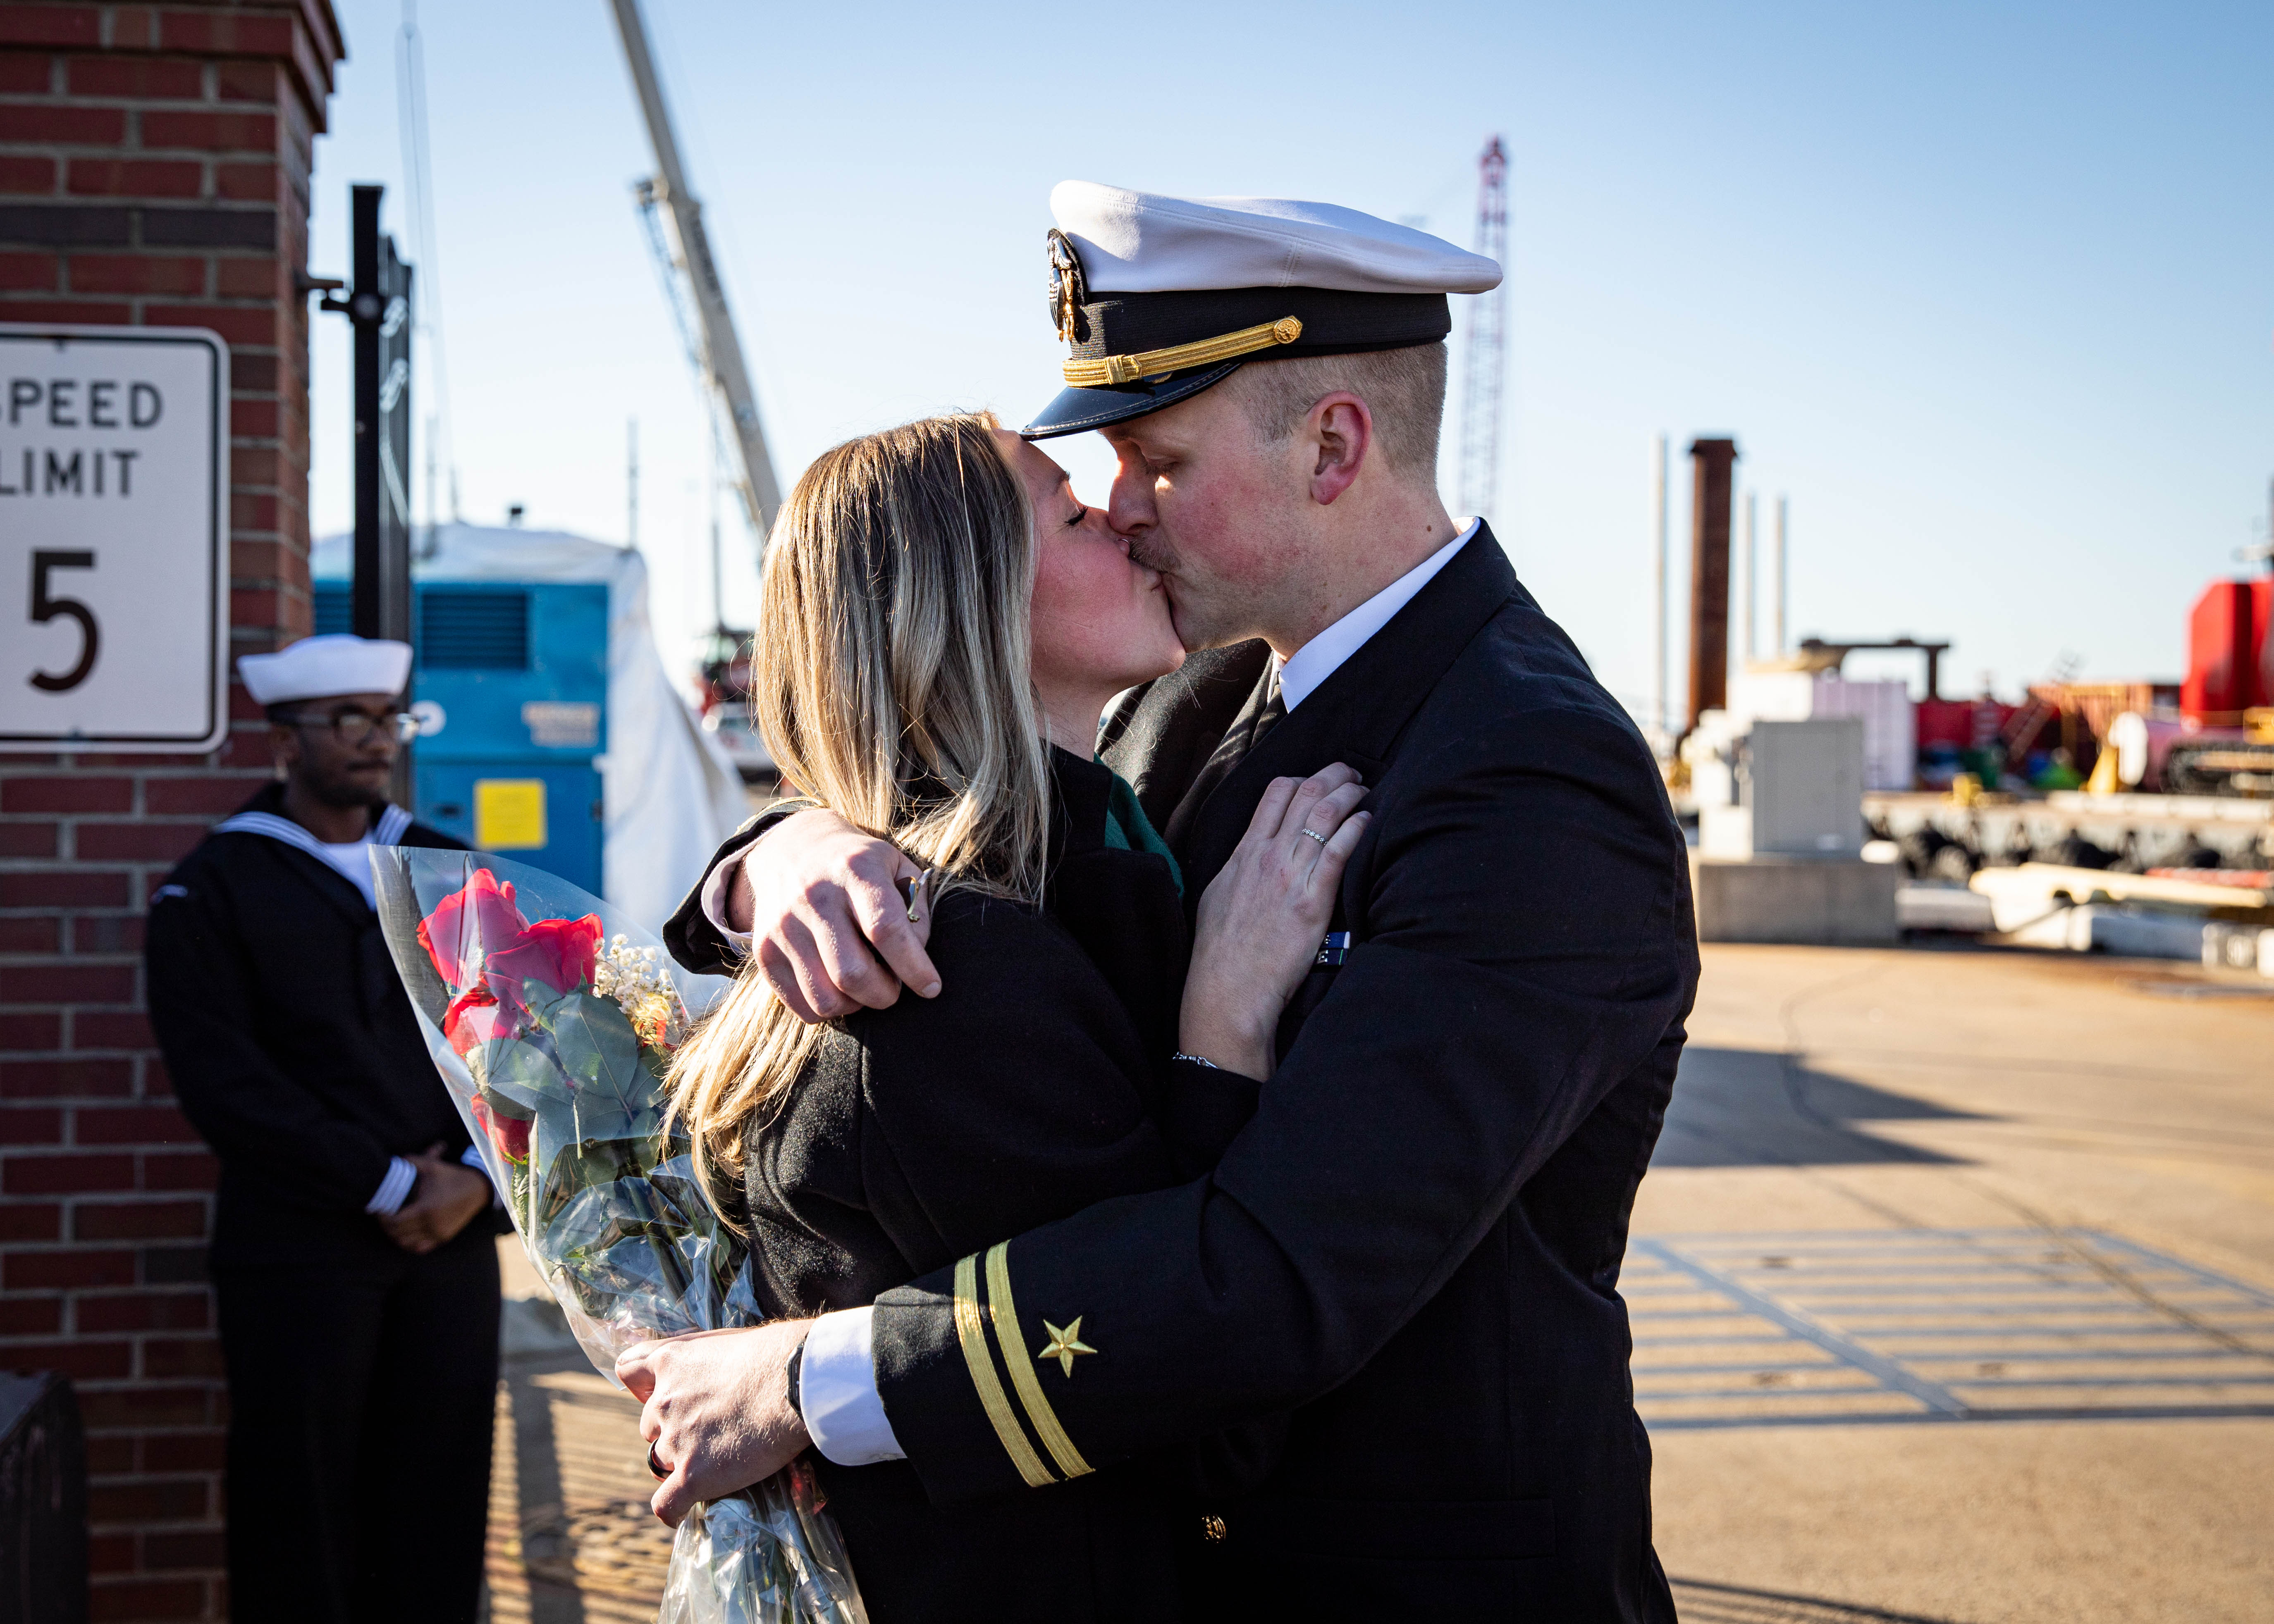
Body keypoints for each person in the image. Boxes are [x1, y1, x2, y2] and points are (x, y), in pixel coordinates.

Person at [624, 184, 1699, 1620]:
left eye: (1158, 460)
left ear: (1332, 447)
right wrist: (789, 850)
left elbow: (1286, 1267)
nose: (1123, 507)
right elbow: (990, 803)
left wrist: (810, 1379)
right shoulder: (1202, 696)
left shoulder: (1527, 772)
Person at [650, 412, 1365, 1620]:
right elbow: (1189, 1406)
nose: (1127, 520)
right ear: (971, 601)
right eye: (1072, 514)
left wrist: (767, 852)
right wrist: (1224, 1029)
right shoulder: (953, 967)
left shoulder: (1018, 881)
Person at [144, 635, 501, 1624]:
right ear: (284, 741)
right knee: (296, 1510)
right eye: (347, 719)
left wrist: (477, 1179)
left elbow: (526, 1044)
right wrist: (391, 1183)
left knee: (439, 1503)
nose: (375, 739)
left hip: (451, 1245)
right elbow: (226, 1084)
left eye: (387, 719)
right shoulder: (213, 886)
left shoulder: (446, 868)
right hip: (299, 1249)